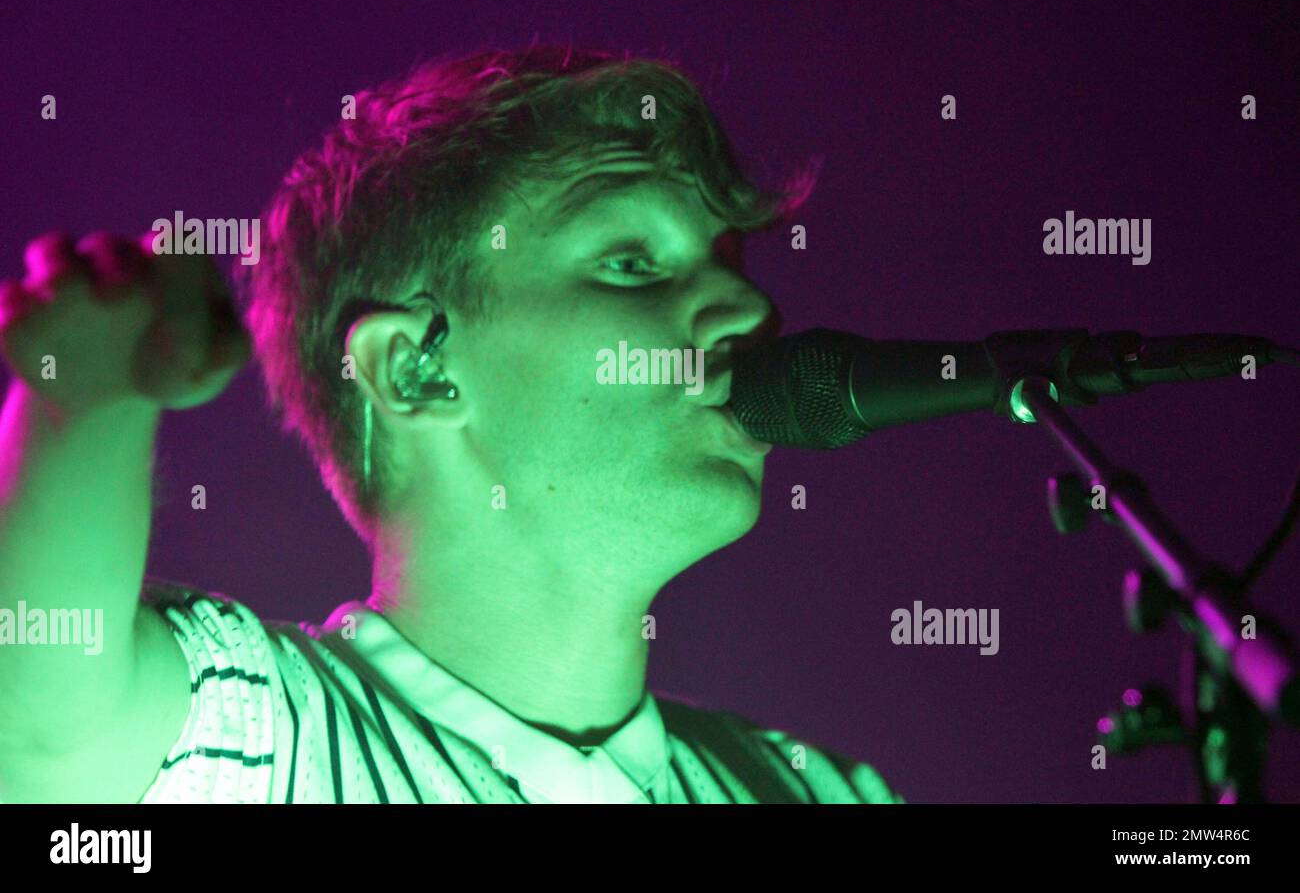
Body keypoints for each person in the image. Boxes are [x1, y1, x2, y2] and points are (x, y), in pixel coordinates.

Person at [0, 44, 901, 803]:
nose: (746, 305)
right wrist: (88, 395)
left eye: (727, 261)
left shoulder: (813, 789)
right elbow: (39, 724)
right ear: (416, 368)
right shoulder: (267, 739)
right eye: (632, 262)